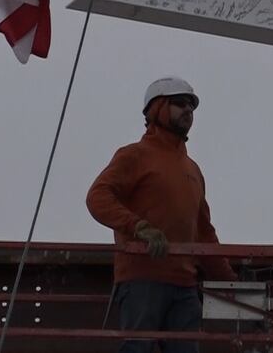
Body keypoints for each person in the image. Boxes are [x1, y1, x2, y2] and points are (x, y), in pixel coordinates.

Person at [87, 76, 237, 353]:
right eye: (179, 103)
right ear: (156, 109)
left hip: (185, 286)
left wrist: (231, 284)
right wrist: (139, 227)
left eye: (191, 106)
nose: (188, 110)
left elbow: (204, 233)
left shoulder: (193, 170)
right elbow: (98, 197)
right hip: (142, 280)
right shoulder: (134, 155)